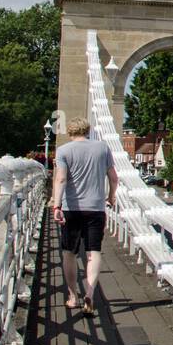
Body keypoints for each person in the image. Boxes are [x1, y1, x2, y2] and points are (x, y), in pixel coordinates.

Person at [51, 116, 118, 316]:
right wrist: (111, 197)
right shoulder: (103, 148)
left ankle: (73, 296)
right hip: (96, 209)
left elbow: (61, 179)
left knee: (69, 253)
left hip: (71, 209)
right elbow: (114, 178)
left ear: (70, 132)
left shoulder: (63, 151)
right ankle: (90, 292)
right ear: (88, 130)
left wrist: (57, 205)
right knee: (93, 252)